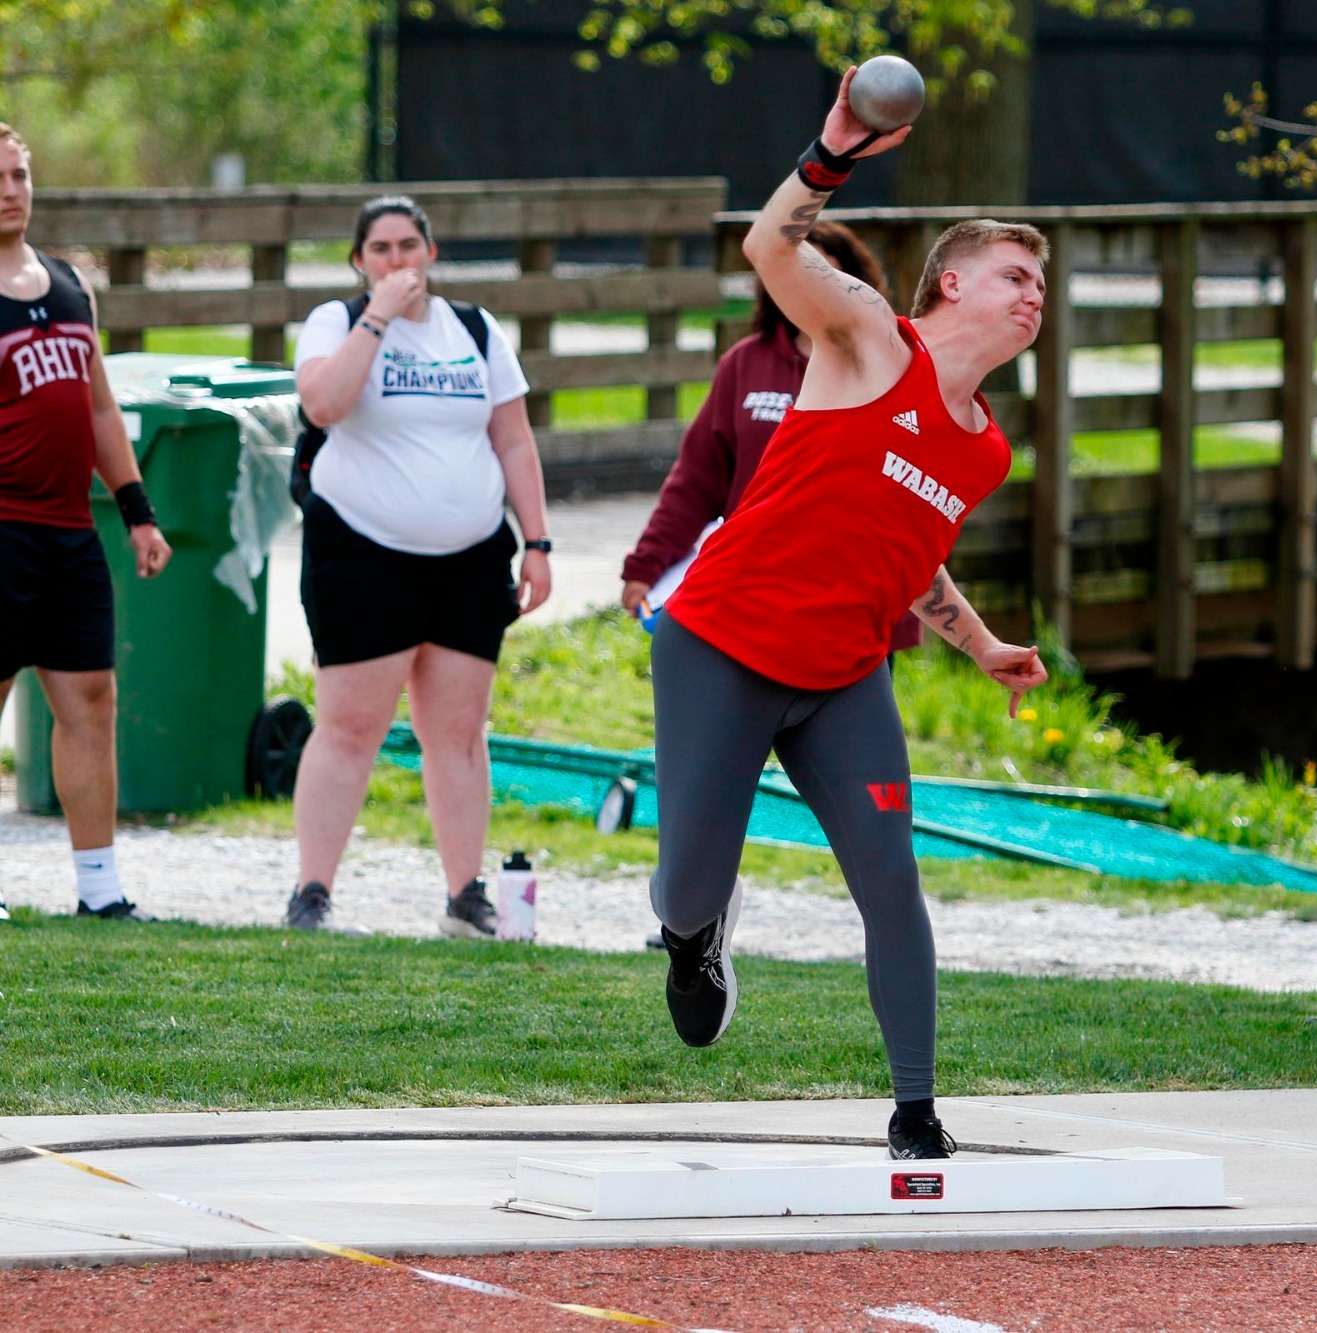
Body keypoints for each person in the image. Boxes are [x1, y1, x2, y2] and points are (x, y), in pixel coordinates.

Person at [648, 70, 1049, 1161]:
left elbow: (914, 557)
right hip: (720, 643)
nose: (1032, 294)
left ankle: (915, 1109)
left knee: (890, 878)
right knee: (686, 879)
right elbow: (768, 253)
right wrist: (827, 155)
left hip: (839, 677)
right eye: (1013, 274)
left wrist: (980, 646)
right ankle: (692, 940)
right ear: (950, 284)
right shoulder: (871, 336)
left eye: (1041, 284)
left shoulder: (984, 446)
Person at [282, 195, 553, 936]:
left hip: (468, 560)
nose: (398, 261)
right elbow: (322, 406)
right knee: (350, 726)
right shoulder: (336, 323)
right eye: (381, 249)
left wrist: (538, 540)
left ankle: (465, 892)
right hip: (362, 555)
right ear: (360, 261)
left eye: (409, 246)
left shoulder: (474, 330)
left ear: (432, 252)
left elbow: (514, 439)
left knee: (460, 730)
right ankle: (312, 889)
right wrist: (377, 317)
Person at [0, 123, 172, 924]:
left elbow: (100, 405)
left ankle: (99, 886)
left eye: (20, 174)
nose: (10, 190)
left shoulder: (69, 284)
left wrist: (137, 512)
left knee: (92, 699)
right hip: (1, 527)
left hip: (70, 531)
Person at [619, 222, 921, 657]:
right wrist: (646, 565)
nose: (813, 292)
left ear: (857, 288)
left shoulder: (893, 372)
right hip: (752, 598)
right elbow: (696, 480)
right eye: (797, 277)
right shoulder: (745, 364)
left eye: (828, 279)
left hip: (850, 606)